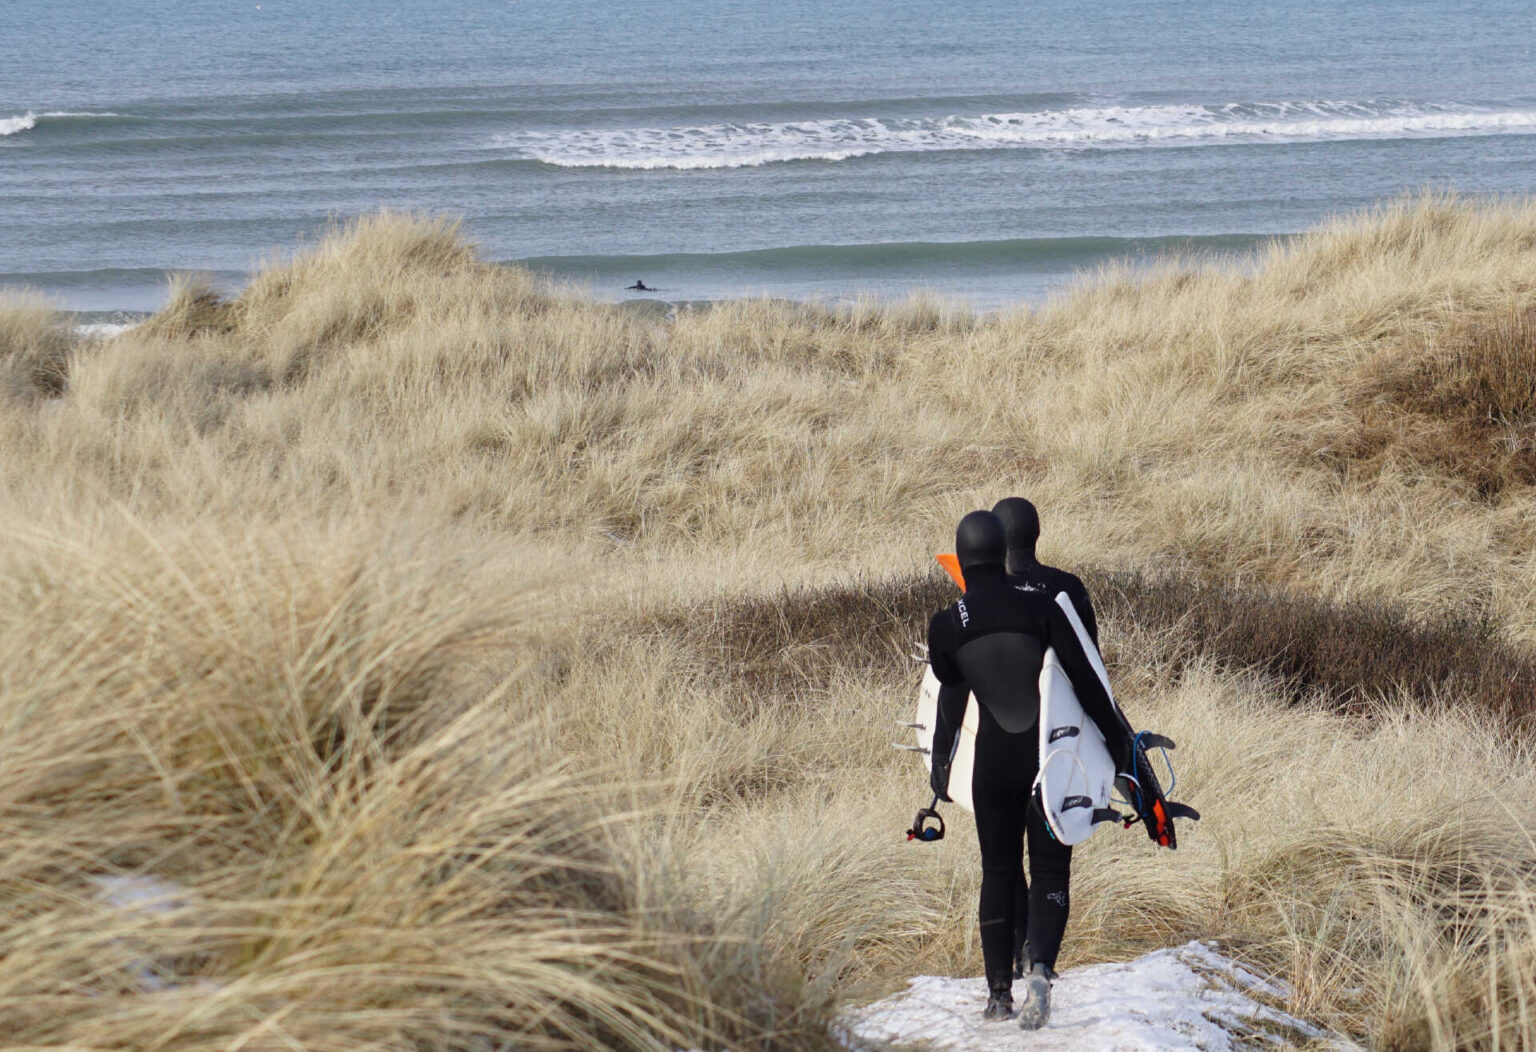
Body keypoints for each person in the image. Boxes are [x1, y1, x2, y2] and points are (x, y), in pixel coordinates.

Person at [926, 510, 1133, 1029]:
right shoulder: (1044, 606)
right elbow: (1088, 684)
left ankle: (998, 995)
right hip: (1049, 761)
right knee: (1050, 870)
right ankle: (1040, 970)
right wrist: (1121, 753)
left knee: (997, 871)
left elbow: (950, 690)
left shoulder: (947, 623)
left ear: (961, 560)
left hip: (992, 764)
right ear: (1003, 553)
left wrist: (940, 764)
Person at [991, 497, 1097, 644]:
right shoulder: (1070, 585)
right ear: (1037, 532)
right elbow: (1091, 651)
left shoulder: (987, 592)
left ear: (994, 538)